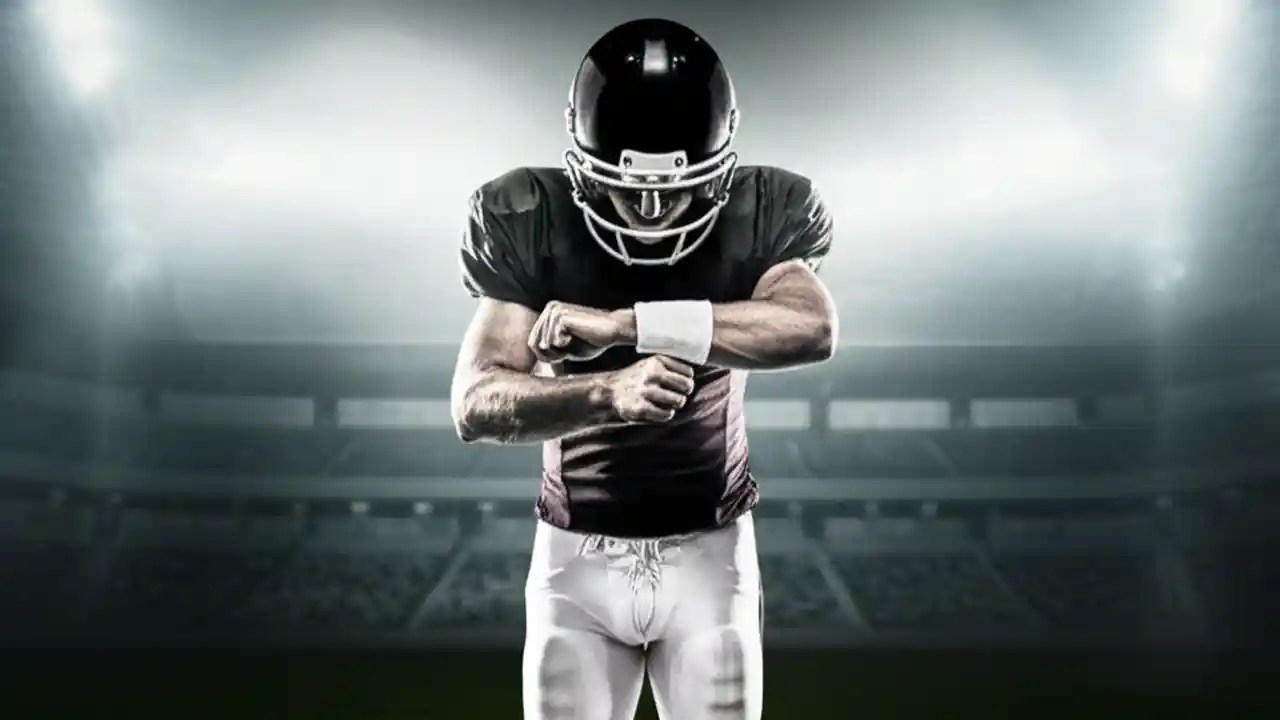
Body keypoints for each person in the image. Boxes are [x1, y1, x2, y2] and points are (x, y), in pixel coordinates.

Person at [450, 17, 837, 720]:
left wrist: (629, 325)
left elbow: (812, 327)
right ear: (582, 167)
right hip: (576, 560)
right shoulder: (532, 216)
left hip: (710, 558)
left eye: (677, 188)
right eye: (630, 189)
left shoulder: (760, 213)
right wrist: (606, 391)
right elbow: (474, 402)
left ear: (718, 170)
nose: (653, 209)